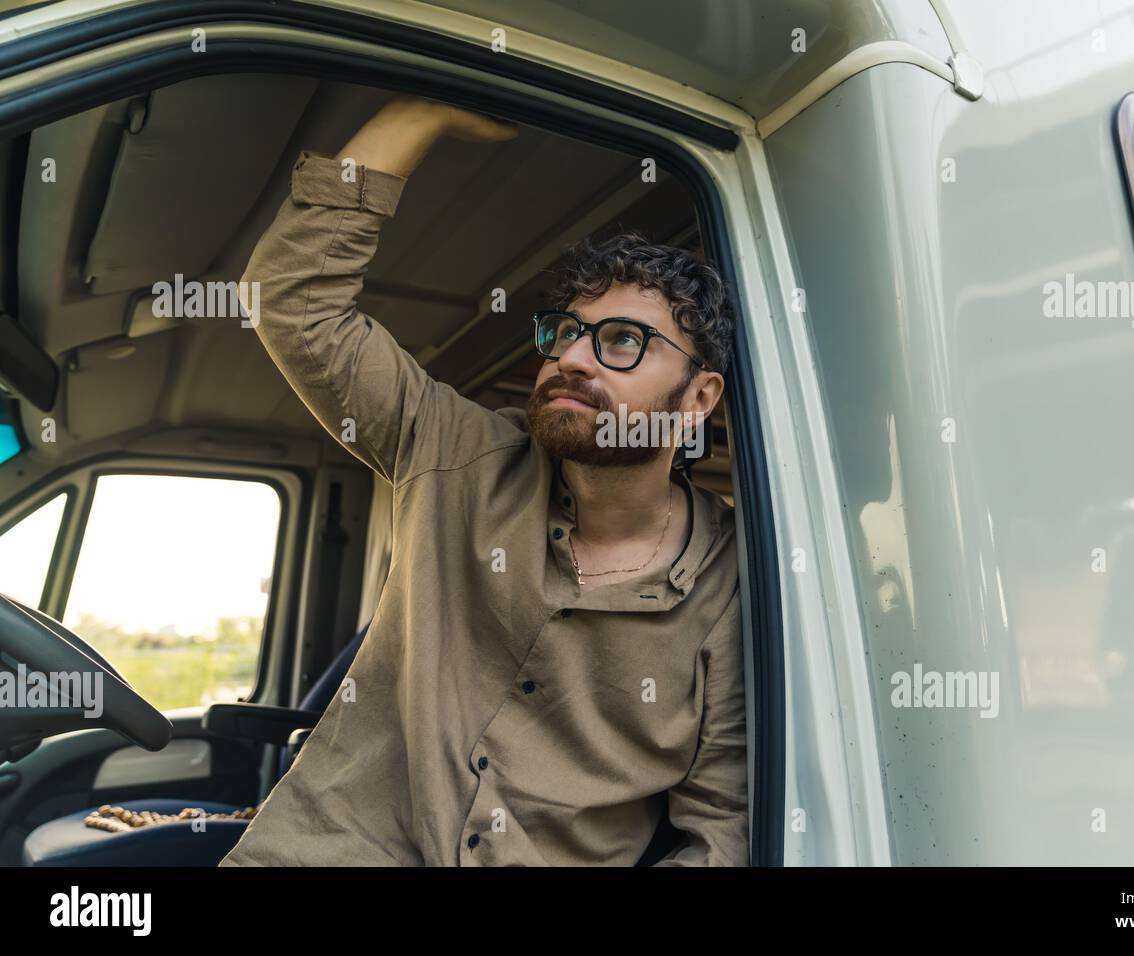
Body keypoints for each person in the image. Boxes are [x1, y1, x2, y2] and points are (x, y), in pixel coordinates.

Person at [219, 95, 747, 866]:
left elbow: (722, 827)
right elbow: (293, 305)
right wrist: (420, 112)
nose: (572, 356)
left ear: (698, 399)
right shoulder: (455, 449)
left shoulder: (733, 582)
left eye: (623, 342)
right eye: (566, 331)